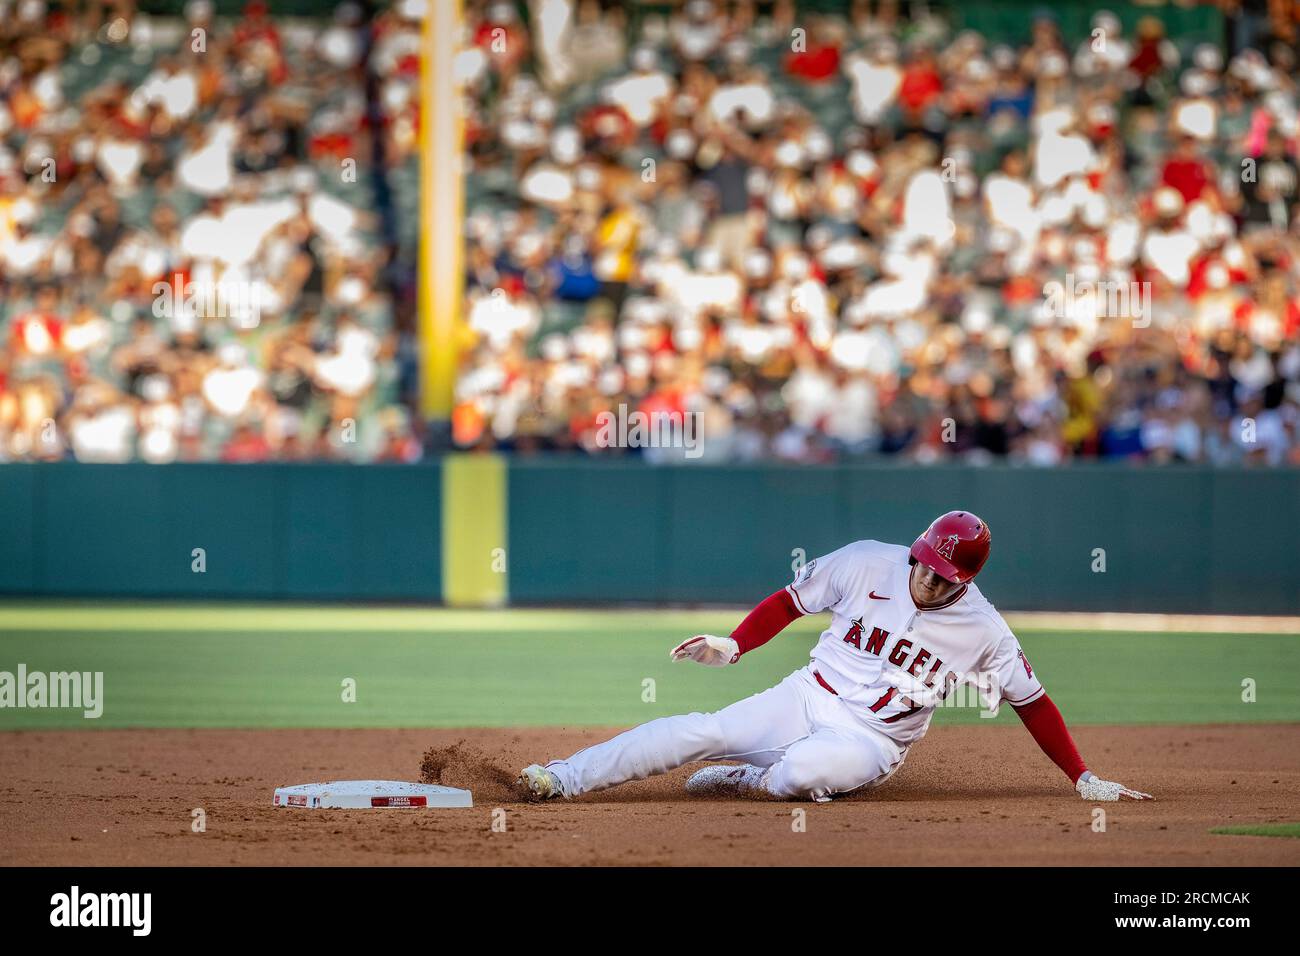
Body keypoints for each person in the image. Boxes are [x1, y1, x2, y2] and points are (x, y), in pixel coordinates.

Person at [518, 511, 1153, 803]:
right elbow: (790, 602)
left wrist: (1081, 775)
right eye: (924, 566)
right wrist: (735, 643)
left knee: (799, 776)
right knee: (699, 731)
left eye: (943, 577)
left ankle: (745, 777)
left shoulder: (983, 629)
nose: (927, 581)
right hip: (805, 694)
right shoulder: (865, 561)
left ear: (966, 580)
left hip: (874, 740)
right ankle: (562, 777)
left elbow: (1032, 703)